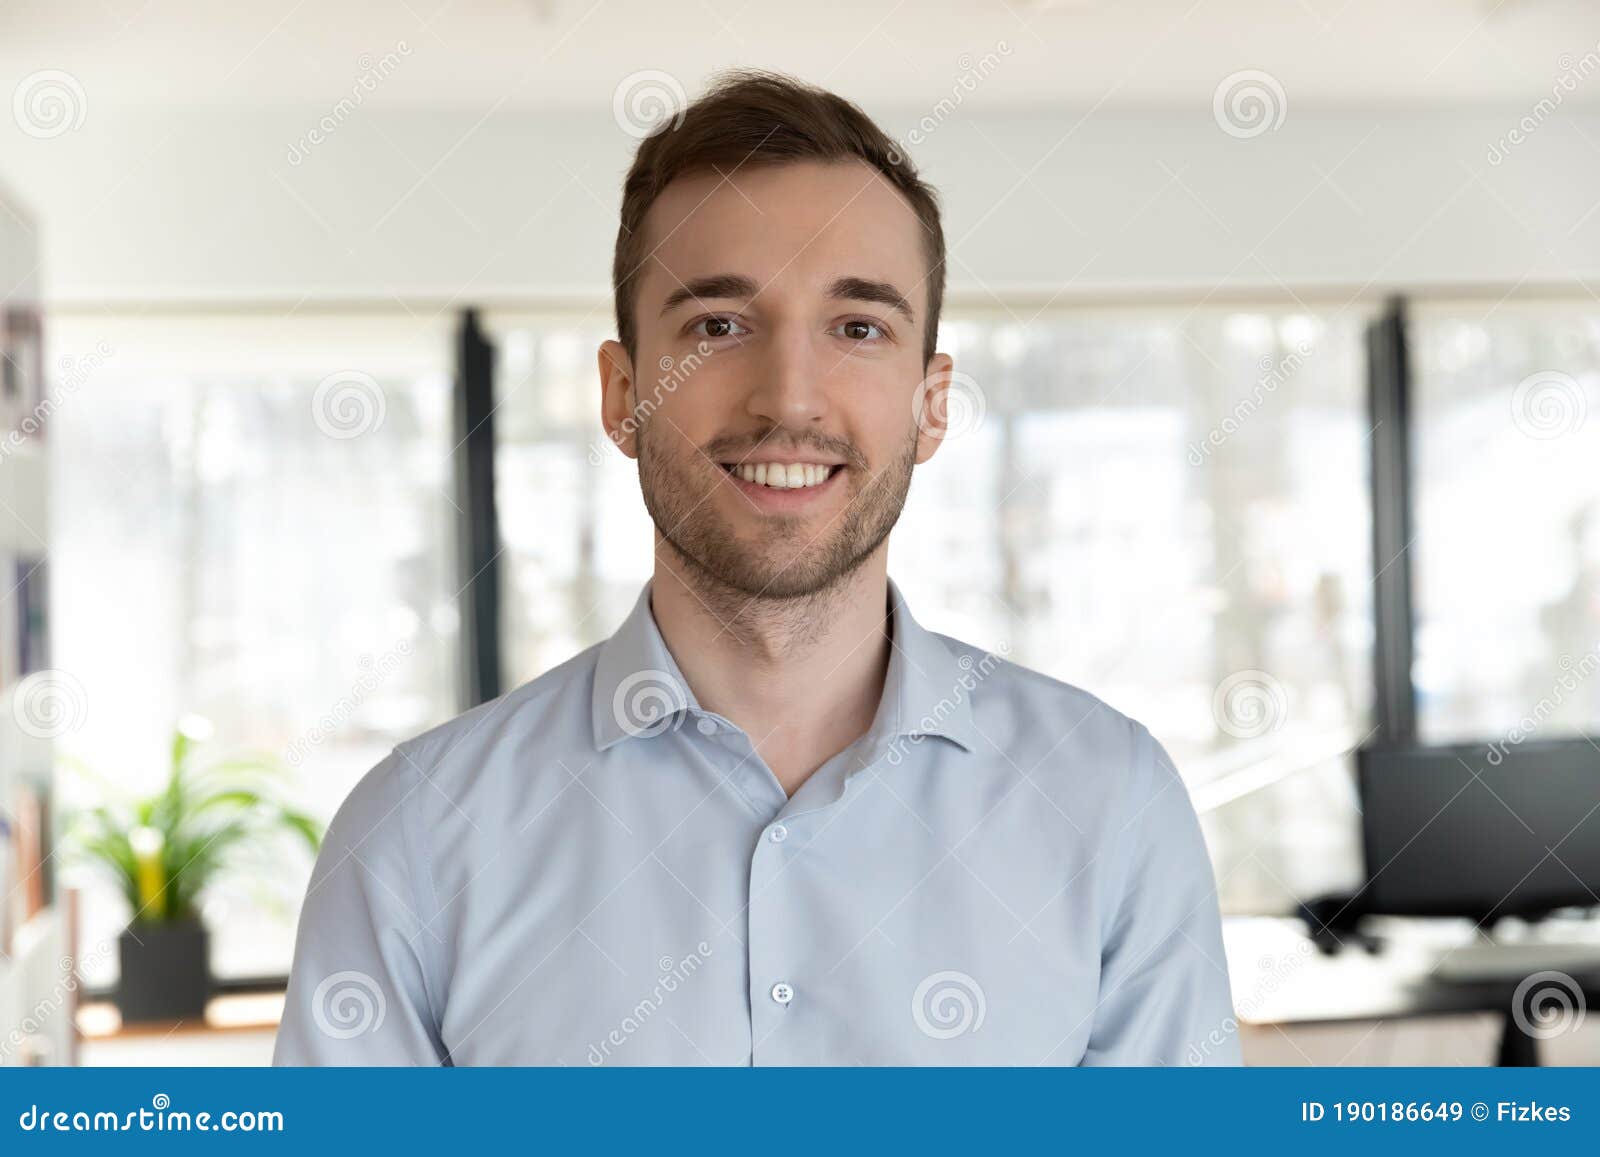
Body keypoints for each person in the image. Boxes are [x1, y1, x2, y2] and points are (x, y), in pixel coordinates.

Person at [273, 69, 1238, 1067]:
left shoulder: (1109, 800)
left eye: (858, 327)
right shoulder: (419, 831)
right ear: (621, 393)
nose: (790, 397)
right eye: (718, 326)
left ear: (932, 401)